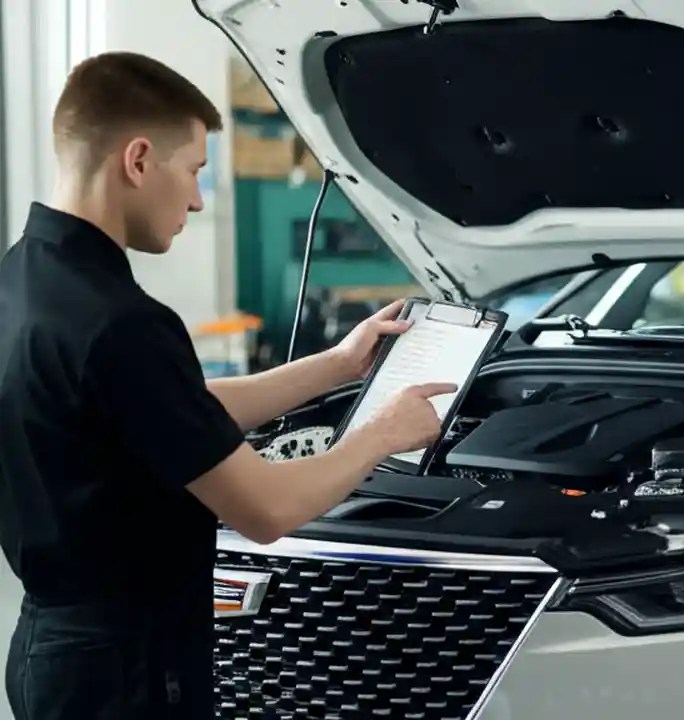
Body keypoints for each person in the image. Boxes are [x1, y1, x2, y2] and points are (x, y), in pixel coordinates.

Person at [0, 52, 455, 719]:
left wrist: (337, 364)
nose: (195, 199)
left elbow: (173, 412)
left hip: (52, 650)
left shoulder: (26, 280)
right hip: (128, 670)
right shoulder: (120, 323)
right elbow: (264, 509)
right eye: (193, 171)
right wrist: (382, 435)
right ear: (137, 160)